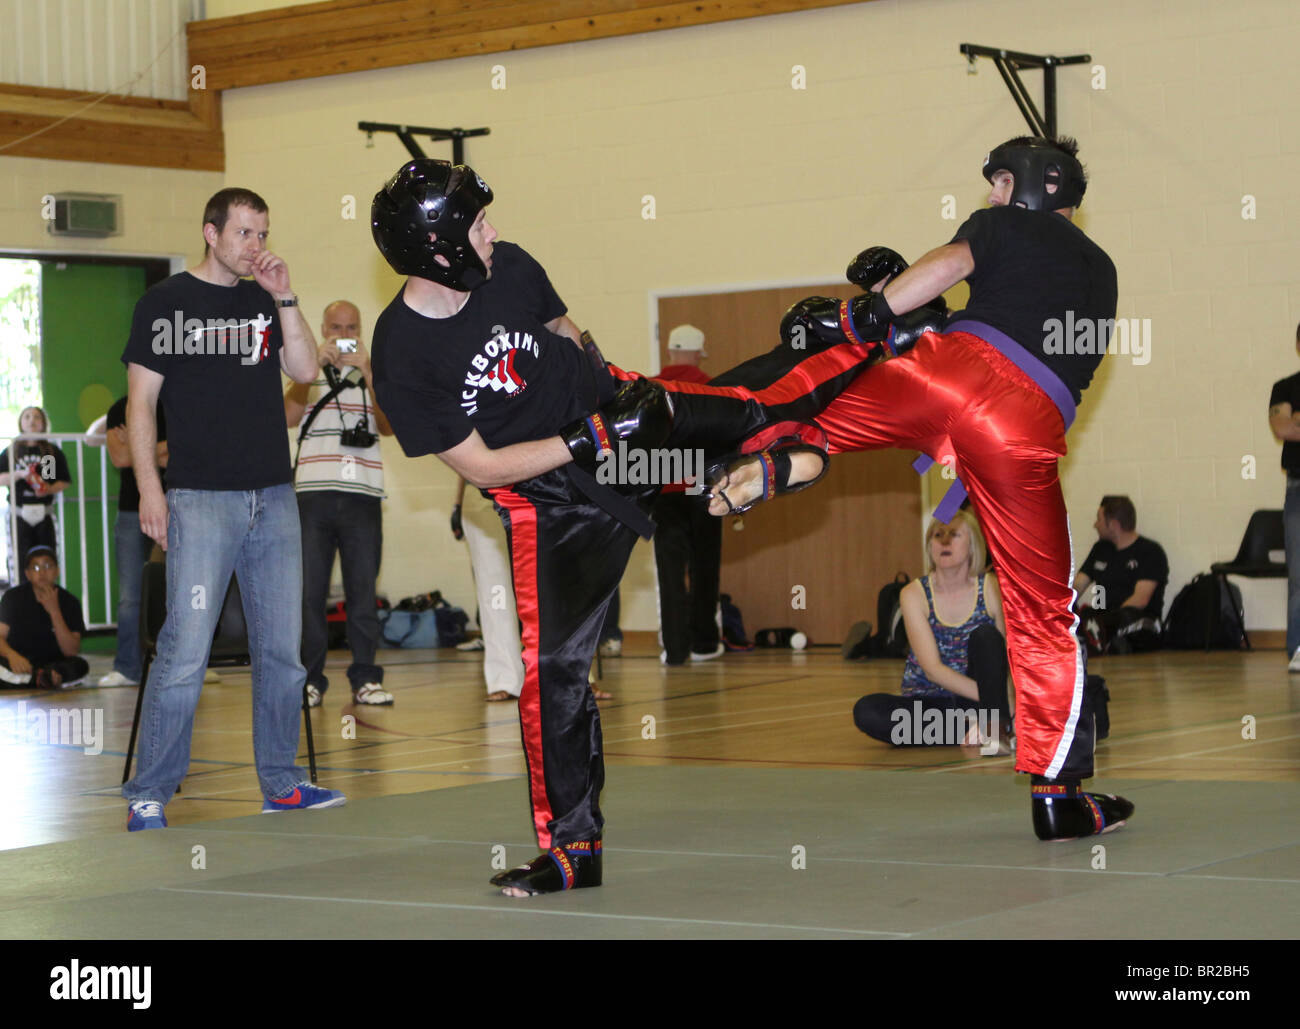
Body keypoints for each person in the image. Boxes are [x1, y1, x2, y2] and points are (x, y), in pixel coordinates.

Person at [367, 159, 928, 895]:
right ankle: (573, 851)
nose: (493, 232)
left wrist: (613, 393)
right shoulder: (402, 354)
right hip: (548, 497)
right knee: (555, 672)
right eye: (476, 225)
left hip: (620, 425)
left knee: (750, 401)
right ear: (438, 250)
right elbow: (481, 466)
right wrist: (589, 438)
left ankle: (876, 331)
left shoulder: (508, 265)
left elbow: (564, 328)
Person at [731, 136, 1135, 841]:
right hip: (1024, 424)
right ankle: (1058, 794)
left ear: (1036, 187)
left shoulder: (1005, 224)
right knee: (1045, 610)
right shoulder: (1102, 270)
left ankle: (771, 451)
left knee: (819, 387)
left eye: (1001, 183)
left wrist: (866, 316)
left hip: (944, 373)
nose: (991, 196)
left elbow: (948, 265)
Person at [120, 186, 345, 831]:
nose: (256, 247)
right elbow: (140, 406)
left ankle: (281, 782)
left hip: (273, 497)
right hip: (199, 500)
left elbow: (302, 369)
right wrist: (151, 491)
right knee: (185, 650)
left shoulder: (263, 299)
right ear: (211, 232)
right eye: (244, 233)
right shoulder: (165, 305)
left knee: (283, 650)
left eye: (263, 233)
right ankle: (151, 792)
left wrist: (286, 296)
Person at [284, 300, 394, 707]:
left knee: (362, 592)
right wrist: (311, 366)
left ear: (361, 329)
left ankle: (366, 678)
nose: (342, 334)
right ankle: (309, 680)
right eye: (335, 326)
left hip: (363, 496)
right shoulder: (307, 371)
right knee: (309, 593)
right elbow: (288, 417)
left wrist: (368, 371)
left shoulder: (375, 374)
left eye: (351, 327)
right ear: (323, 327)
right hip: (312, 495)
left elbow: (389, 426)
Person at [852, 511, 1011, 753]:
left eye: (954, 535)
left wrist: (1001, 701)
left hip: (980, 700)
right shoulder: (913, 594)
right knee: (868, 711)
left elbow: (1006, 662)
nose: (944, 542)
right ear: (929, 545)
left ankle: (991, 725)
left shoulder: (990, 588)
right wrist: (1001, 703)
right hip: (931, 705)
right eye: (938, 535)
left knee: (986, 636)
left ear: (973, 545)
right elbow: (933, 670)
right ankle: (986, 727)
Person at [652, 324, 723, 665]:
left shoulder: (649, 388)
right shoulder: (712, 387)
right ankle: (705, 642)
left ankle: (675, 649)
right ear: (697, 353)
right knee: (704, 563)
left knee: (669, 568)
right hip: (702, 482)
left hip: (663, 483)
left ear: (669, 351)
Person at [98, 395, 167, 687]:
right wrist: (157, 450)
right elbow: (120, 457)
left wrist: (136, 445)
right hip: (130, 511)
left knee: (184, 589)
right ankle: (127, 668)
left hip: (176, 505)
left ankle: (190, 661)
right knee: (130, 596)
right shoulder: (118, 409)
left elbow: (187, 453)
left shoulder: (178, 403)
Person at [451, 475, 525, 702]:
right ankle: (505, 678)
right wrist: (458, 503)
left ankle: (578, 680)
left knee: (551, 585)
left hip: (540, 488)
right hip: (484, 491)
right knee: (495, 591)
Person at [1073, 495, 1168, 655]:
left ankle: (1101, 639)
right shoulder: (1100, 549)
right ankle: (1096, 639)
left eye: (1099, 520)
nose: (1095, 525)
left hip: (1134, 620)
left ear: (1114, 525)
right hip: (1101, 620)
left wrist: (1108, 622)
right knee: (1078, 613)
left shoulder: (1150, 552)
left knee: (1127, 620)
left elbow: (1140, 600)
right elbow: (1077, 586)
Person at [0, 545, 89, 689]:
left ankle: (38, 679)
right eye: (35, 568)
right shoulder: (12, 598)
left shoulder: (70, 602)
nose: (42, 572)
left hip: (52, 664)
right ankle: (40, 680)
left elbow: (71, 651)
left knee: (80, 665)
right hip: (18, 661)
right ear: (27, 574)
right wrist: (11, 655)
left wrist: (54, 611)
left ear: (57, 571)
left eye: (48, 566)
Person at [0, 406, 71, 579]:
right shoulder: (12, 452)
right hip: (18, 515)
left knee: (47, 558)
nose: (32, 420)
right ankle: (21, 598)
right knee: (19, 562)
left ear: (44, 423)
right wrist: (18, 474)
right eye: (27, 416)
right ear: (21, 422)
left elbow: (61, 481)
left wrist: (49, 489)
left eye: (37, 417)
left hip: (44, 514)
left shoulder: (49, 451)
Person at [1267, 324, 1300, 670]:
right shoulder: (1285, 387)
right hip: (1298, 488)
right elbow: (1283, 428)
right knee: (1299, 572)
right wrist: (1291, 422)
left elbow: (1294, 426)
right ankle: (1298, 649)